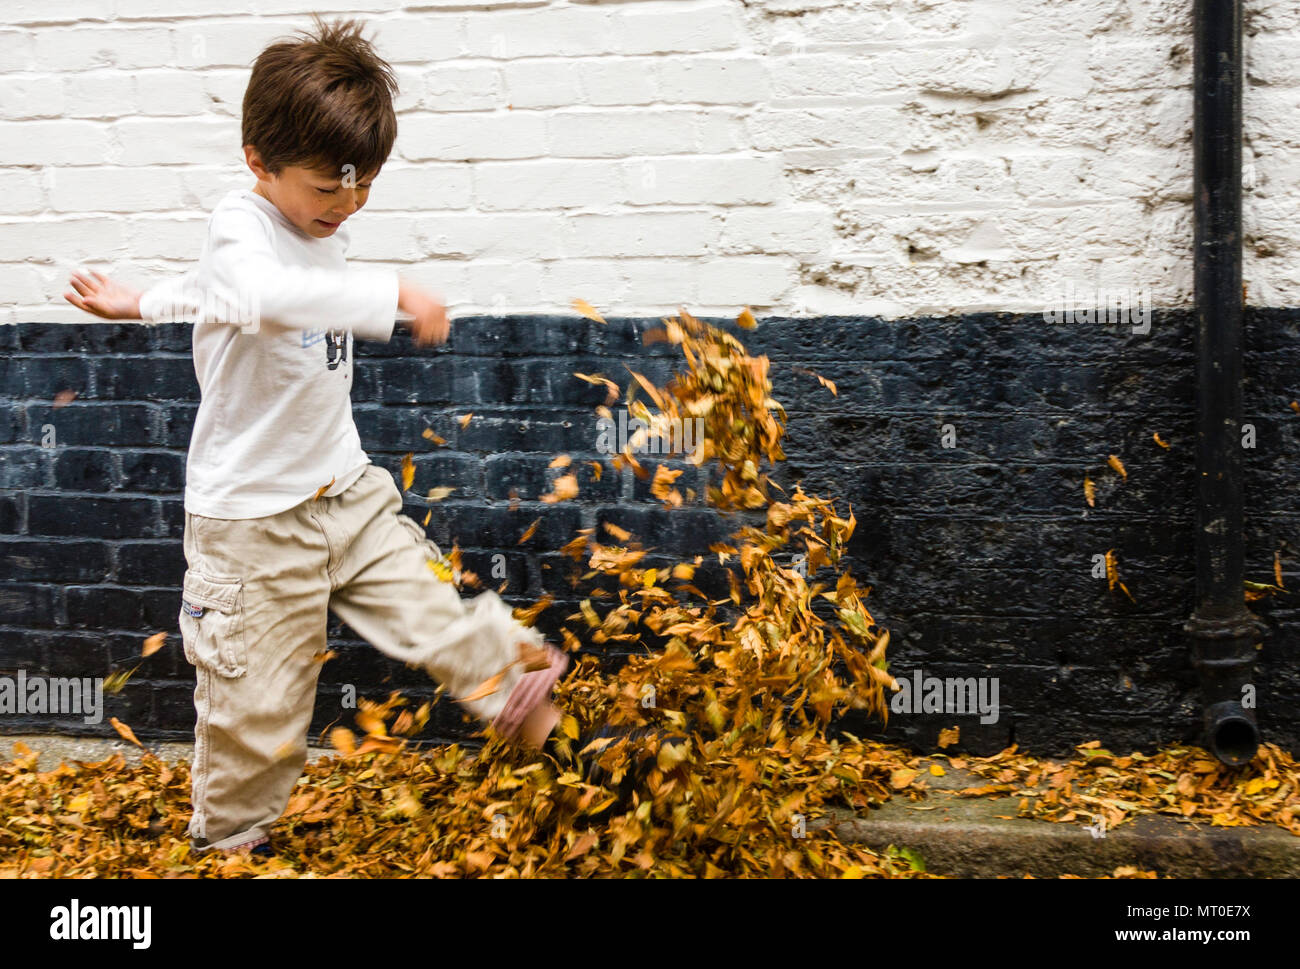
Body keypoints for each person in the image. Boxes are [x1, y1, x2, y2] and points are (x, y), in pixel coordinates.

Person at [59, 14, 641, 856]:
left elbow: (216, 293)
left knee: (440, 615)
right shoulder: (240, 224)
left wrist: (141, 298)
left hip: (345, 490)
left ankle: (584, 751)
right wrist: (393, 289)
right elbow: (255, 291)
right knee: (257, 712)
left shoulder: (312, 225)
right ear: (259, 163)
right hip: (254, 526)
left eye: (364, 184)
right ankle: (230, 846)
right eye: (329, 189)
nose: (349, 204)